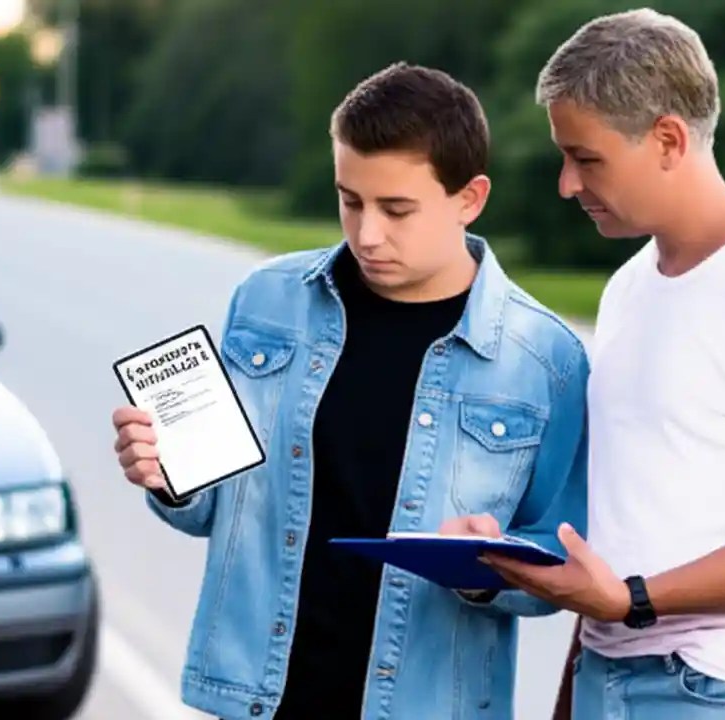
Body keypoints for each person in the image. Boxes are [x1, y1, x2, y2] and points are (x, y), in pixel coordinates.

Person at [111, 62, 590, 720]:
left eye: (397, 210)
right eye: (350, 200)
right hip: (258, 700)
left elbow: (564, 563)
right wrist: (170, 478)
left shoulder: (547, 361)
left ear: (470, 198)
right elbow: (208, 510)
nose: (367, 234)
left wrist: (487, 568)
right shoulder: (267, 301)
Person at [468, 8, 725, 720]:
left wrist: (633, 600)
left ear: (668, 140)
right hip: (608, 680)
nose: (566, 183)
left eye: (586, 158)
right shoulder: (628, 287)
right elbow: (625, 530)